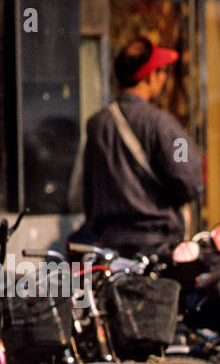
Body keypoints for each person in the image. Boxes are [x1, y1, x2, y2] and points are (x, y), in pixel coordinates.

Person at [81, 36, 203, 257]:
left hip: (111, 247)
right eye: (163, 71)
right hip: (158, 246)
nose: (165, 78)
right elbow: (190, 181)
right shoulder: (163, 124)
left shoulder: (96, 124)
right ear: (149, 77)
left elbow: (88, 190)